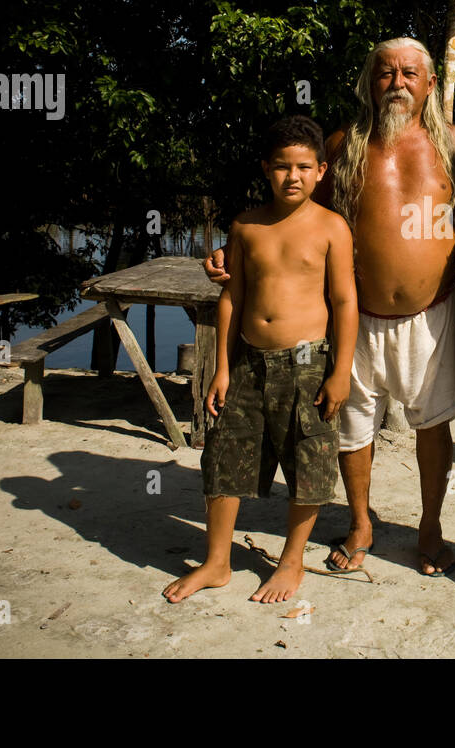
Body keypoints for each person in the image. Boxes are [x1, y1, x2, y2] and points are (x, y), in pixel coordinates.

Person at [206, 37, 455, 576]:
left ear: (429, 85)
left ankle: (430, 528)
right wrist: (228, 250)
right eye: (385, 73)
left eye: (408, 74)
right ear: (368, 82)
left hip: (433, 315)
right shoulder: (341, 145)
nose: (396, 83)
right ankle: (360, 523)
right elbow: (296, 213)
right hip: (355, 316)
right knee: (351, 428)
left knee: (433, 425)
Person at [164, 115, 357, 605]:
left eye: (303, 167)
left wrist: (340, 373)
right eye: (281, 167)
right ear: (265, 170)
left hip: (309, 365)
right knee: (223, 456)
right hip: (248, 362)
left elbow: (345, 302)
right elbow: (232, 297)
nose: (292, 176)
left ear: (321, 170)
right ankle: (217, 561)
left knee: (309, 462)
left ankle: (292, 562)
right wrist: (223, 368)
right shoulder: (246, 225)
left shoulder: (333, 227)